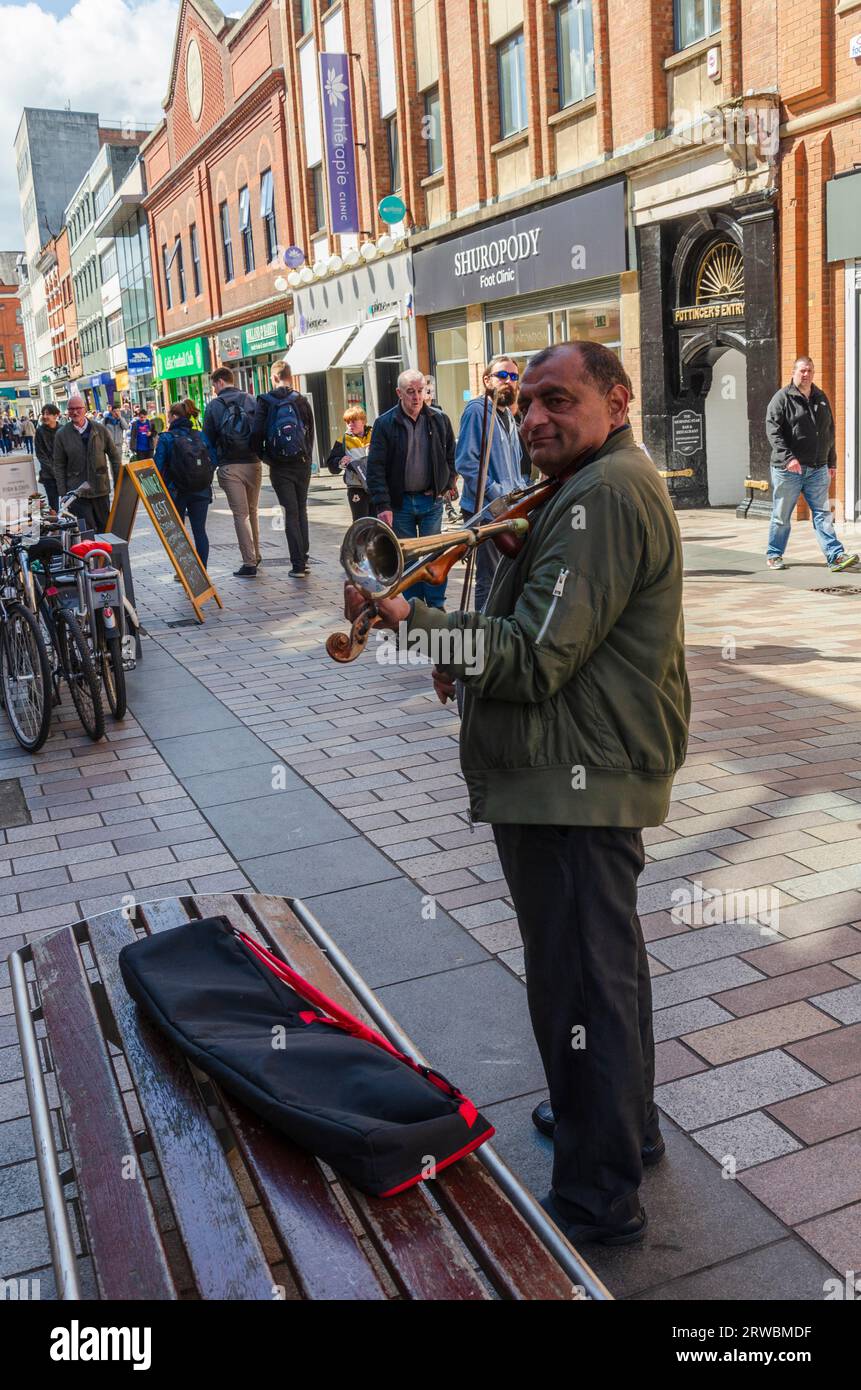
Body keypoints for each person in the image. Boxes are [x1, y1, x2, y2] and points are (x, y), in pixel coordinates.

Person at [347, 342, 689, 1245]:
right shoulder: (586, 486)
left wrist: (415, 623)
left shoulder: (601, 497)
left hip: (571, 780)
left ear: (616, 402)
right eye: (523, 401)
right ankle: (624, 1130)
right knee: (602, 969)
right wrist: (511, 559)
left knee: (579, 986)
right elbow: (548, 622)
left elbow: (534, 660)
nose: (533, 416)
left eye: (558, 400)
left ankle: (596, 1195)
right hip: (579, 764)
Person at [366, 368, 457, 610]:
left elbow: (451, 456)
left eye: (421, 391)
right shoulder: (385, 424)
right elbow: (375, 468)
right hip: (400, 503)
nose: (417, 397)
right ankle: (416, 607)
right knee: (409, 557)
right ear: (399, 393)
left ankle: (436, 606)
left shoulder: (439, 420)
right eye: (411, 392)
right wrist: (383, 505)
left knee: (434, 554)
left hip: (431, 501)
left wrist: (446, 485)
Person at [765, 355, 857, 572]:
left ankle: (835, 556)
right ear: (794, 372)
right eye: (802, 371)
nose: (806, 375)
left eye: (809, 371)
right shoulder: (782, 398)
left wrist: (831, 461)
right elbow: (773, 431)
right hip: (788, 470)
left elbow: (829, 432)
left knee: (823, 513)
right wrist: (789, 458)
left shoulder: (821, 397)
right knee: (782, 515)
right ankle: (774, 554)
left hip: (818, 468)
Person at [455, 356, 529, 609]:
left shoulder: (507, 414)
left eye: (513, 377)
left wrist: (523, 495)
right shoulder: (477, 410)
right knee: (489, 577)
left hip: (510, 507)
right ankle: (483, 636)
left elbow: (515, 463)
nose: (509, 382)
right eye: (502, 376)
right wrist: (496, 493)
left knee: (507, 574)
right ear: (487, 379)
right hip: (487, 509)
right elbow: (466, 462)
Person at [251, 360, 315, 578]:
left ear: (274, 377)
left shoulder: (265, 402)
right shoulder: (301, 400)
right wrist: (307, 456)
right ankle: (304, 560)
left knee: (290, 512)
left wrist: (267, 458)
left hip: (279, 466)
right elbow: (310, 432)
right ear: (289, 375)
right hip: (302, 464)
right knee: (302, 509)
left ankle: (297, 565)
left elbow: (256, 436)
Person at [203, 367, 262, 578]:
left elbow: (207, 440)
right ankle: (257, 554)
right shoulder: (251, 400)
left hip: (230, 466)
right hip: (253, 464)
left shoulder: (213, 406)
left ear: (219, 382)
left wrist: (214, 465)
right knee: (252, 511)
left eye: (213, 385)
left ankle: (249, 562)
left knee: (240, 515)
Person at [154, 400, 214, 567]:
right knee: (200, 532)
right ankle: (203, 572)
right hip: (201, 490)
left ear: (174, 416)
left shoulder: (166, 437)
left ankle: (185, 574)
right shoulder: (200, 435)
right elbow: (213, 460)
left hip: (176, 492)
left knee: (178, 533)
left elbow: (157, 467)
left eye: (169, 416)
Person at [53, 396, 120, 531]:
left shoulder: (99, 429)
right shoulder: (62, 434)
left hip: (100, 488)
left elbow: (115, 457)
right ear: (67, 412)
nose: (75, 412)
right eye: (71, 409)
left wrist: (118, 483)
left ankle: (105, 553)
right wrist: (63, 493)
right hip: (77, 492)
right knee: (85, 532)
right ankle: (90, 553)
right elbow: (59, 465)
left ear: (85, 409)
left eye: (78, 408)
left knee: (105, 529)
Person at [326, 406, 373, 520]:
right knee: (360, 523)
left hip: (375, 487)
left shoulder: (376, 435)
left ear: (363, 421)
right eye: (347, 422)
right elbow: (332, 466)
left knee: (378, 524)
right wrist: (340, 462)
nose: (350, 425)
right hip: (355, 488)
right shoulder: (342, 440)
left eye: (353, 421)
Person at [34, 403, 61, 511]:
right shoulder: (40, 431)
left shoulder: (63, 430)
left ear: (56, 415)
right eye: (43, 414)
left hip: (65, 475)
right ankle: (56, 527)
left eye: (48, 414)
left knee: (71, 504)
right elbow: (40, 455)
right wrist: (54, 472)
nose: (45, 416)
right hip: (49, 476)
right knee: (53, 506)